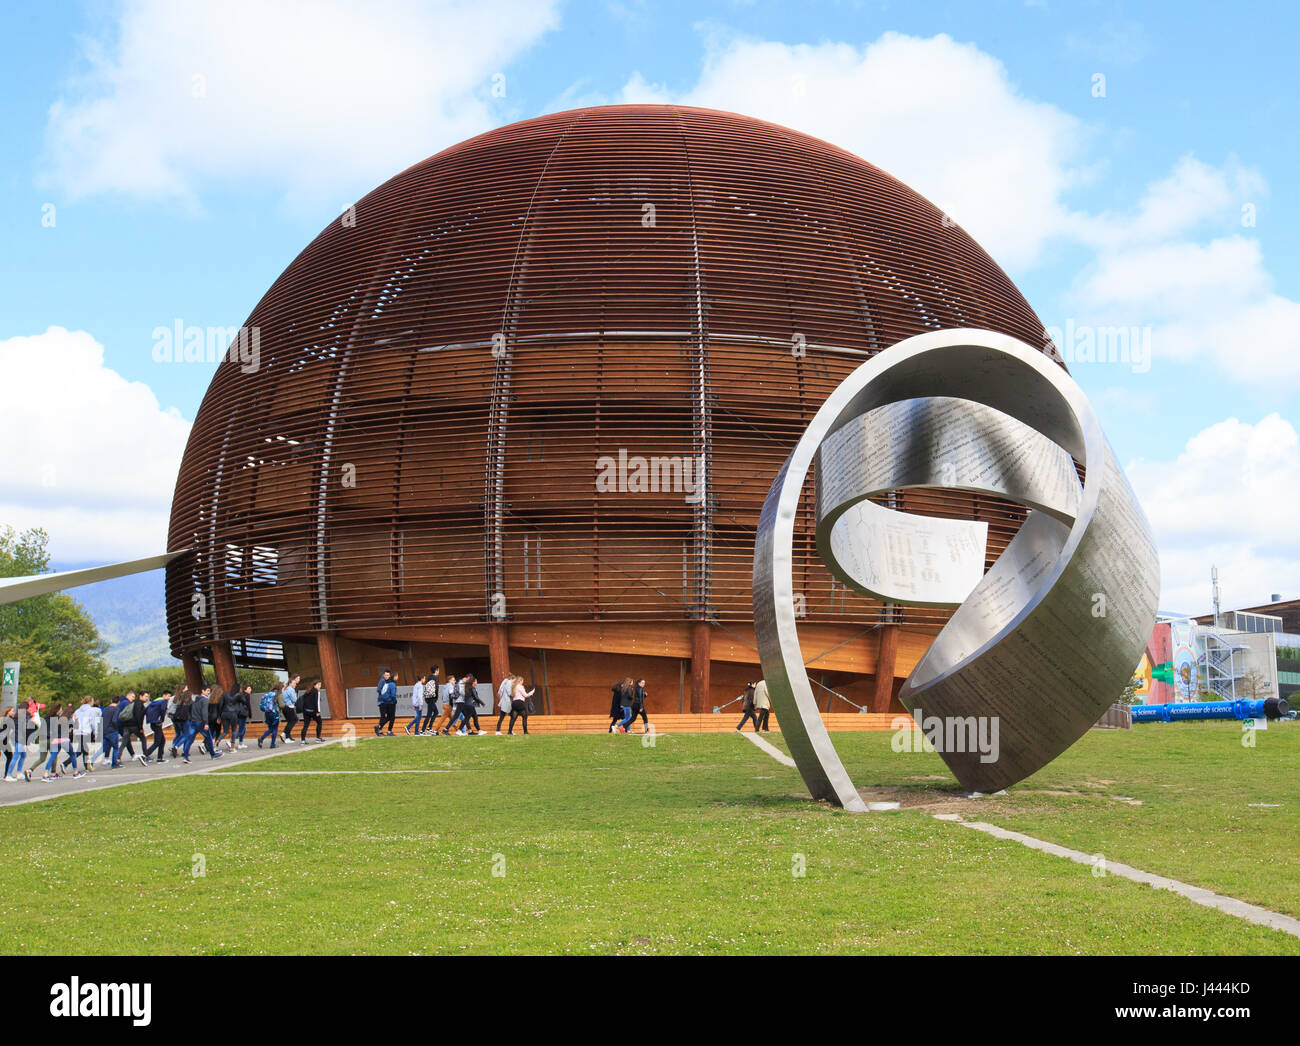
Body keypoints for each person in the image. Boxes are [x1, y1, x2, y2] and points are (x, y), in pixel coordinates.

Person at [184, 686, 222, 762]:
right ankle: (213, 754)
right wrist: (206, 723)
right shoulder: (205, 700)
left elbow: (192, 711)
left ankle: (185, 757)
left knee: (190, 739)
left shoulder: (196, 699)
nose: (209, 692)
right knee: (209, 738)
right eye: (207, 691)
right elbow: (204, 712)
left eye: (209, 691)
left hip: (194, 722)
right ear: (203, 691)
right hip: (201, 722)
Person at [69, 696, 98, 777]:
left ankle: (87, 766)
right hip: (86, 731)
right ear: (90, 701)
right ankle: (65, 763)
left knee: (85, 749)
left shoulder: (78, 710)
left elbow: (74, 720)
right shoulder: (91, 710)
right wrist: (96, 732)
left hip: (77, 731)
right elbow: (93, 722)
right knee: (82, 750)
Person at [40, 702, 68, 782]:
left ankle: (50, 773)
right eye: (61, 708)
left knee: (45, 758)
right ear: (58, 709)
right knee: (53, 756)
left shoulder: (47, 716)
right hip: (52, 738)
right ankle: (49, 774)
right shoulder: (57, 718)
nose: (61, 710)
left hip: (43, 738)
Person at [143, 691, 170, 763]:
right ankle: (145, 755)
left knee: (162, 740)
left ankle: (160, 758)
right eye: (168, 696)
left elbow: (146, 710)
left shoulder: (155, 701)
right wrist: (162, 720)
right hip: (158, 723)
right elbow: (163, 710)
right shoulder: (163, 701)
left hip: (153, 722)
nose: (169, 698)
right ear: (164, 695)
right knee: (157, 742)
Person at [258, 683, 284, 748]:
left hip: (267, 713)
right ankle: (271, 744)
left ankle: (262, 738)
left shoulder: (268, 694)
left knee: (271, 728)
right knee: (274, 729)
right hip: (274, 714)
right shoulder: (278, 695)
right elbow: (281, 705)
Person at [101, 695, 123, 769]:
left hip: (104, 730)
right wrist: (117, 727)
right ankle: (114, 763)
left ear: (111, 701)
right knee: (115, 748)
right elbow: (114, 720)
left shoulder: (105, 709)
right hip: (112, 731)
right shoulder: (116, 709)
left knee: (103, 748)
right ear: (119, 702)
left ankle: (91, 759)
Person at [374, 670, 398, 736]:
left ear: (390, 676)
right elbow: (378, 690)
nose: (386, 676)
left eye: (388, 675)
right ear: (383, 675)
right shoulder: (383, 681)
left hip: (385, 701)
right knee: (384, 716)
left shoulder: (388, 682)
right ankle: (380, 729)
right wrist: (384, 695)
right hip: (383, 701)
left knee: (388, 717)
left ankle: (380, 729)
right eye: (385, 675)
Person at [419, 667, 442, 734]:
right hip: (432, 698)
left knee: (435, 712)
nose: (438, 671)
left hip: (428, 698)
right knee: (430, 714)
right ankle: (423, 730)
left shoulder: (429, 678)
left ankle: (428, 728)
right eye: (438, 670)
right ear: (436, 670)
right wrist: (436, 698)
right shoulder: (435, 678)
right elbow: (436, 689)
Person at [279, 675, 300, 744]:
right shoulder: (291, 689)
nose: (295, 684)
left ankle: (288, 738)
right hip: (289, 707)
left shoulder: (285, 689)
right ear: (290, 683)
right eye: (294, 683)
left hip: (284, 708)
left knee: (290, 721)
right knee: (294, 720)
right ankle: (284, 734)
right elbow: (294, 699)